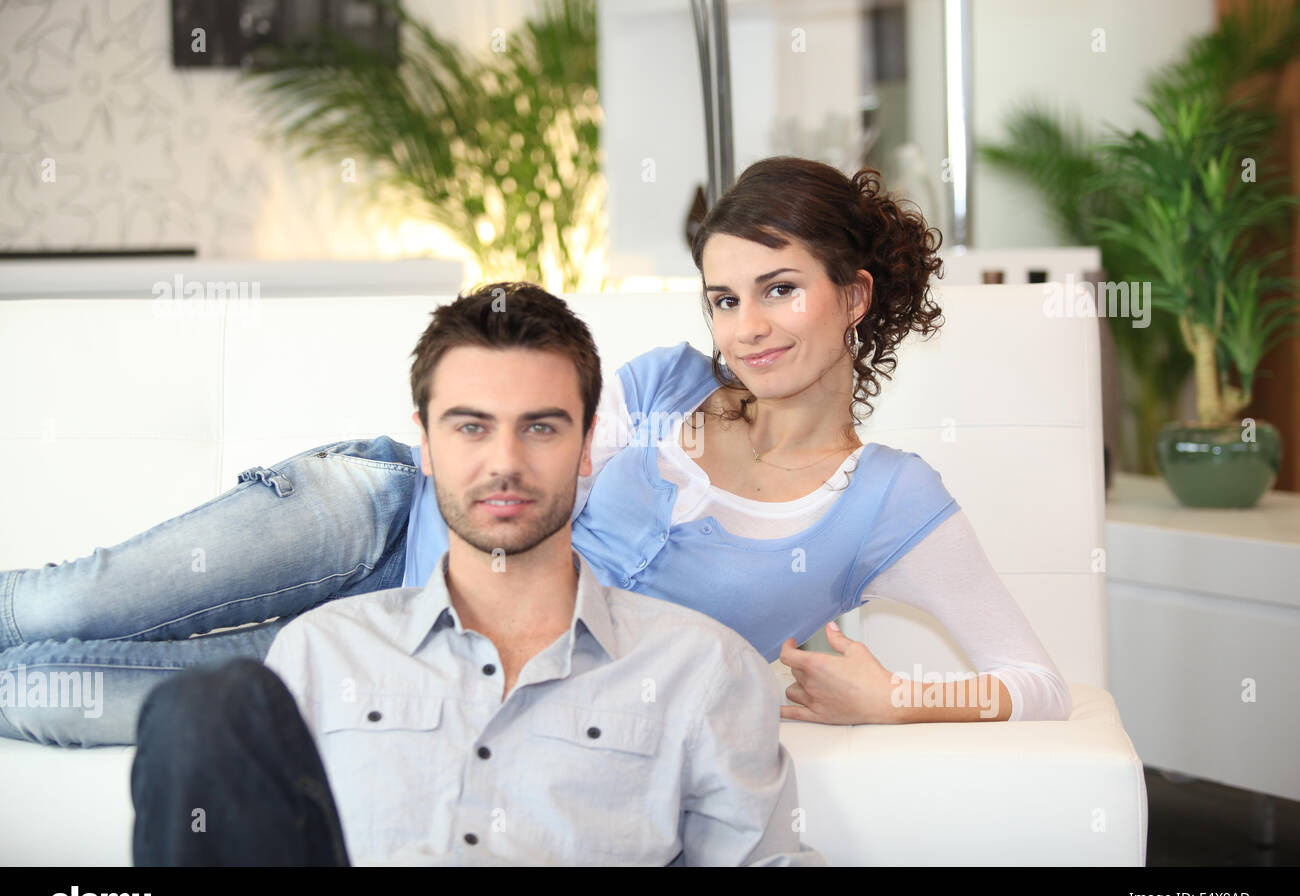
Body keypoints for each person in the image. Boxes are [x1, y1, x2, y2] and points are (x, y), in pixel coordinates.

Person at [0, 156, 1071, 749]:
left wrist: (898, 699)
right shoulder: (663, 384)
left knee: (59, 697)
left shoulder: (886, 501)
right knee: (62, 603)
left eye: (779, 290)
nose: (746, 328)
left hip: (411, 664)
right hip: (381, 513)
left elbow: (1036, 682)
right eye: (724, 298)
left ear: (855, 294)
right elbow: (517, 479)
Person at [129, 285, 822, 865]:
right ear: (426, 445)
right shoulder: (321, 651)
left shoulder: (702, 670)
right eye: (470, 428)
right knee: (200, 709)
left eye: (540, 428)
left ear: (588, 445)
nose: (505, 463)